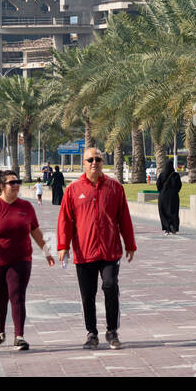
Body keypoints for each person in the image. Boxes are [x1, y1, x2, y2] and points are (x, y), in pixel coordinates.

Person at [57, 147, 136, 351]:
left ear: (103, 162)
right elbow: (65, 220)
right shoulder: (73, 190)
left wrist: (130, 244)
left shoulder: (115, 188)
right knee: (88, 295)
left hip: (110, 251)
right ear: (83, 163)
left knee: (110, 286)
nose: (94, 162)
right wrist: (63, 246)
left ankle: (112, 331)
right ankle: (92, 333)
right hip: (84, 253)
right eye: (90, 159)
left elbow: (124, 218)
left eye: (98, 159)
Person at [0, 169, 54, 352]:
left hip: (21, 259)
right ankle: (0, 333)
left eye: (18, 182)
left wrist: (47, 251)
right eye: (12, 183)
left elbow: (35, 231)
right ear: (2, 186)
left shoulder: (26, 206)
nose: (17, 185)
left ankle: (19, 336)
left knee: (17, 296)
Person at [156, 157, 182, 235]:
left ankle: (166, 228)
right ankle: (174, 227)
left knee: (163, 212)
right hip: (173, 197)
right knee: (173, 212)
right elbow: (179, 185)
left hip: (163, 196)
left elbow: (158, 185)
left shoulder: (162, 175)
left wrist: (162, 191)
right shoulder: (176, 175)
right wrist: (174, 192)